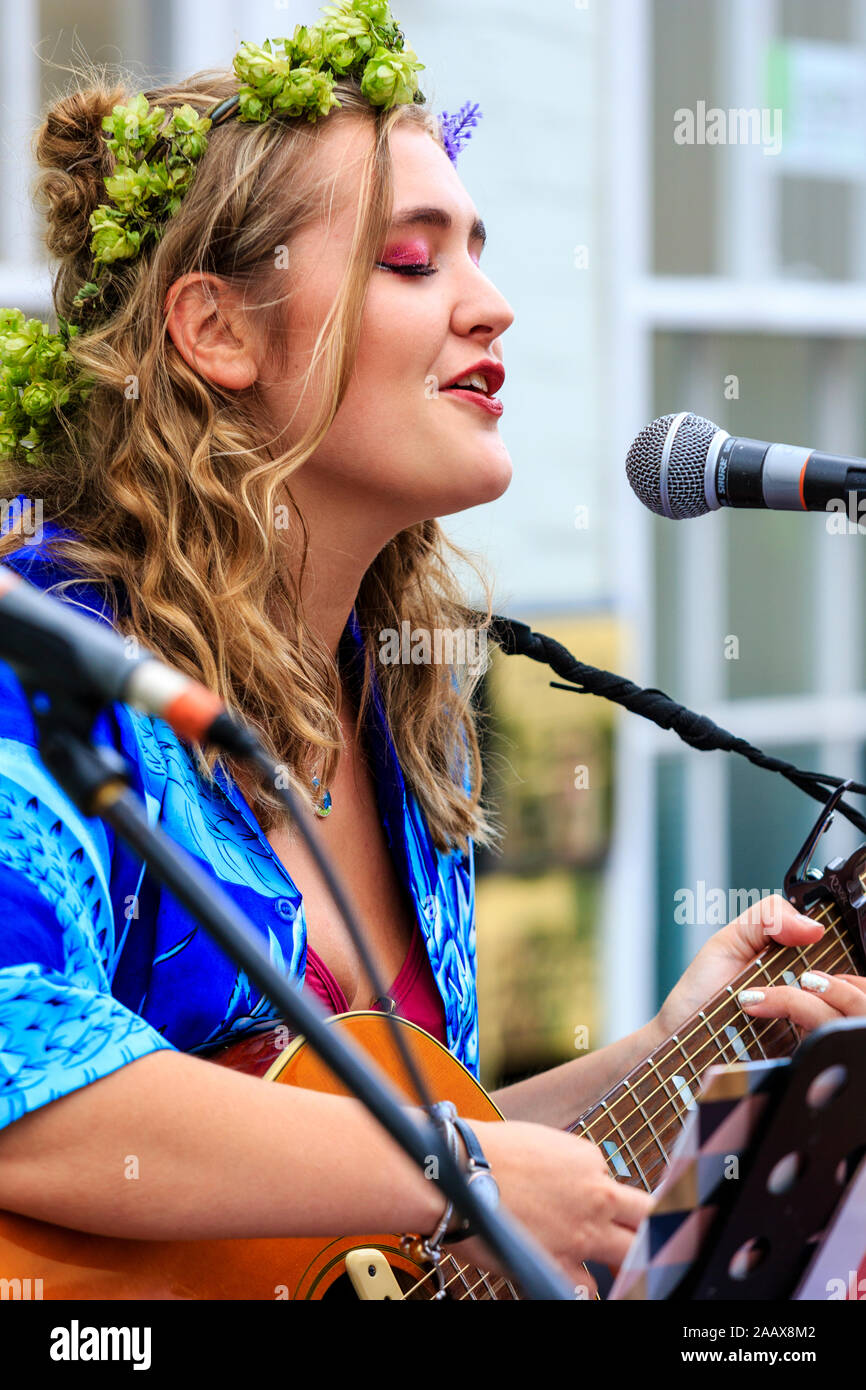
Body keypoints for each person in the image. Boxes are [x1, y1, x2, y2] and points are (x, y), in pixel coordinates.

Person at [0, 2, 862, 1296]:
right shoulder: (52, 665)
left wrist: (668, 1055)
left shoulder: (399, 696)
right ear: (215, 330)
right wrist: (453, 1157)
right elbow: (26, 1080)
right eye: (412, 263)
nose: (494, 307)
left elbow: (366, 1206)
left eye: (480, 254)